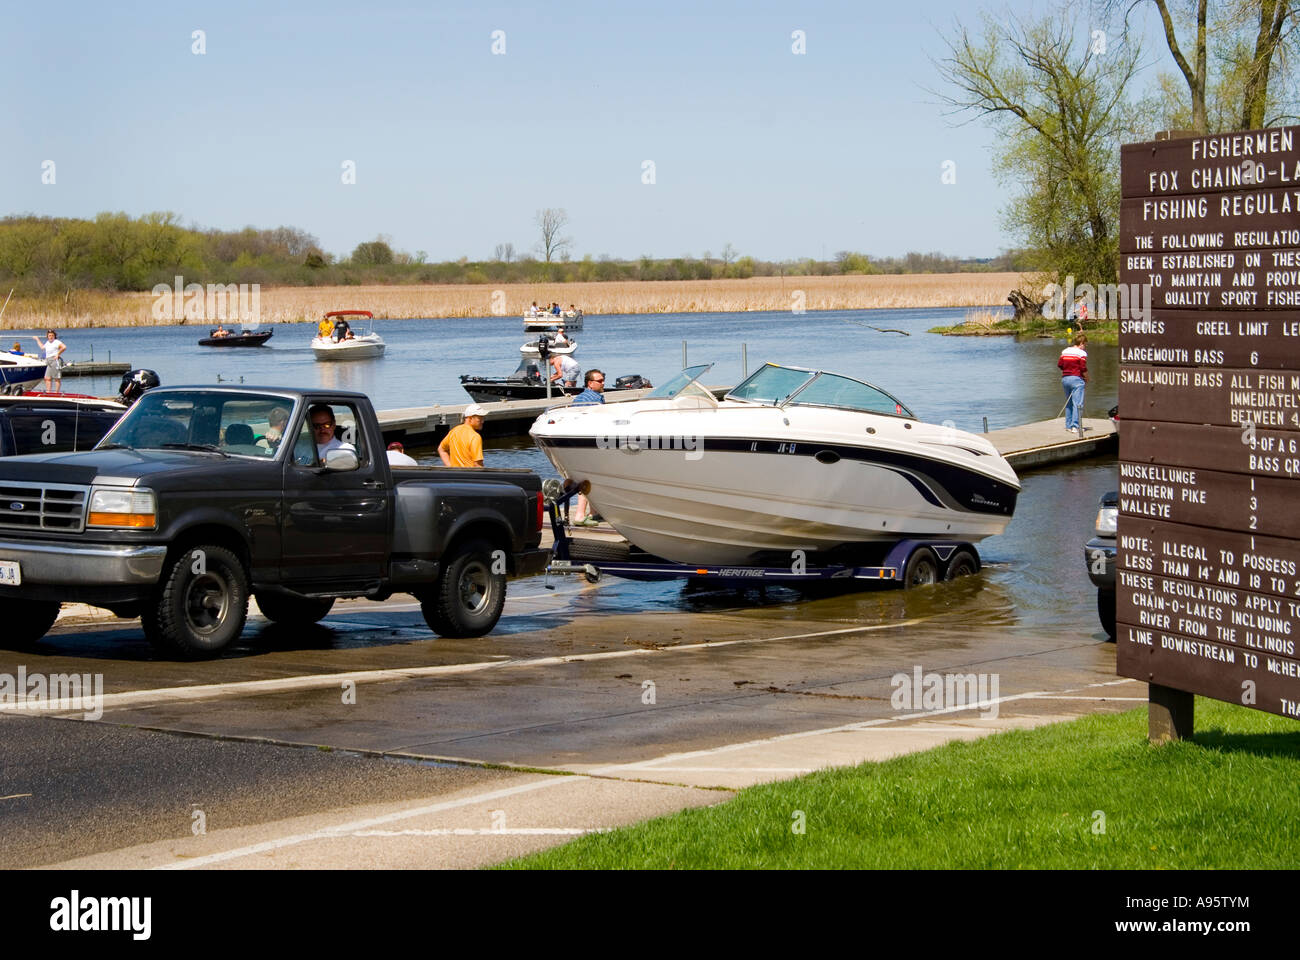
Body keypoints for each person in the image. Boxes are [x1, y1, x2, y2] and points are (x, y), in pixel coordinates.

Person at [569, 370, 605, 526]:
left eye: (603, 380)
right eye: (600, 381)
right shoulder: (595, 400)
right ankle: (579, 516)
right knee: (587, 480)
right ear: (590, 383)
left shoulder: (580, 397)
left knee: (591, 478)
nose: (603, 383)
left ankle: (593, 512)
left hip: (576, 444)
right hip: (589, 444)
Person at [1058, 333, 1088, 435]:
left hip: (1065, 379)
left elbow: (1060, 365)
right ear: (1081, 343)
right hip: (1077, 380)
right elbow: (1083, 368)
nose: (1085, 347)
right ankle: (1076, 426)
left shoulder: (1065, 351)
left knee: (1069, 403)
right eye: (1085, 345)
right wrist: (1087, 378)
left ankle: (1068, 425)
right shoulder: (1082, 353)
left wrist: (1068, 371)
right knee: (1078, 403)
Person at [439, 403, 486, 467]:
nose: (482, 421)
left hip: (455, 475)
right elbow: (477, 464)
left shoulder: (454, 431)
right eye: (479, 418)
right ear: (470, 418)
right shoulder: (475, 437)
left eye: (483, 418)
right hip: (469, 475)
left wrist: (450, 467)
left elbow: (441, 449)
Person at [31, 329, 66, 394]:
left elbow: (64, 347)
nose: (51, 337)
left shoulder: (56, 342)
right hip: (48, 360)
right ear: (47, 336)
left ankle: (56, 393)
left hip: (55, 360)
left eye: (52, 335)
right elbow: (42, 347)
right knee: (47, 378)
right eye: (49, 335)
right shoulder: (47, 342)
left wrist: (58, 354)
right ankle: (48, 392)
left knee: (56, 378)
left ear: (54, 336)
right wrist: (37, 339)